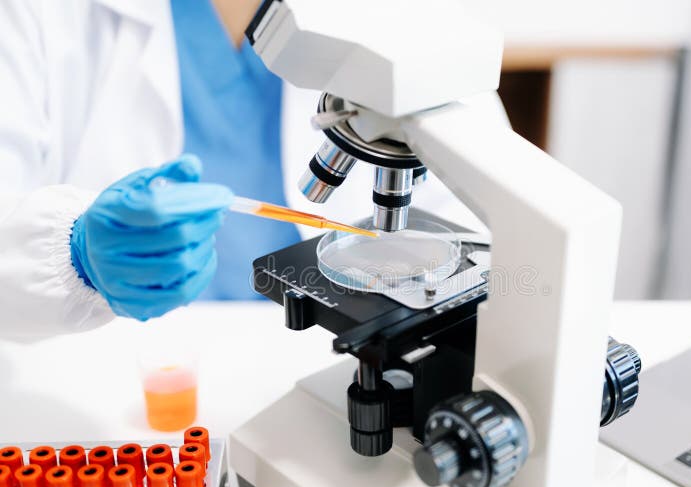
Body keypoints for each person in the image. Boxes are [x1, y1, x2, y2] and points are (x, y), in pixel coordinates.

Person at [0, 0, 493, 342]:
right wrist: (74, 256)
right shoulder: (38, 14)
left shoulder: (405, 14)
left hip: (314, 357)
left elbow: (477, 225)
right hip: (116, 369)